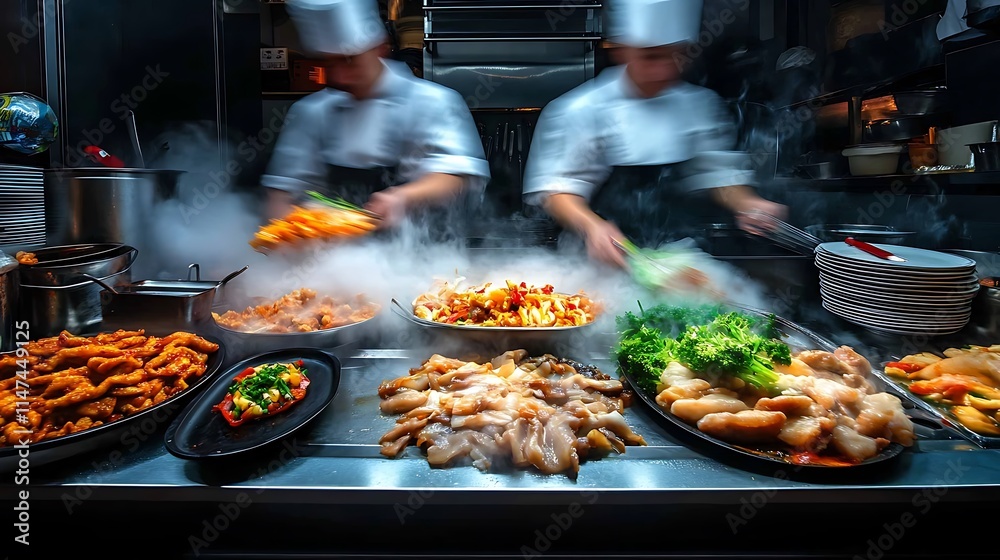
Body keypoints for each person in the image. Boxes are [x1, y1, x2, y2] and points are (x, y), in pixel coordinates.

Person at [522, 0, 786, 268]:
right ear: (622, 50)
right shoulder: (581, 110)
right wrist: (593, 227)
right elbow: (557, 191)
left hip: (680, 262)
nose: (665, 69)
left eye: (676, 55)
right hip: (603, 264)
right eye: (651, 56)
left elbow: (718, 176)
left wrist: (747, 203)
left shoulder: (699, 105)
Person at [261, 0, 489, 229]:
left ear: (380, 46)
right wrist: (289, 232)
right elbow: (282, 193)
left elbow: (457, 178)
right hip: (334, 260)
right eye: (327, 63)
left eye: (349, 60)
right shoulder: (310, 113)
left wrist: (402, 197)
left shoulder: (434, 102)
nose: (340, 76)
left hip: (426, 255)